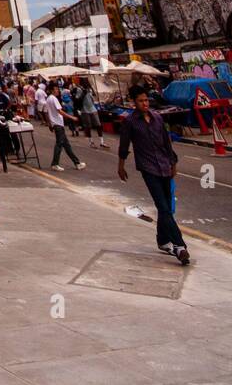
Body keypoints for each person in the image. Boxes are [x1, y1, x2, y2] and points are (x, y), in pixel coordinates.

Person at [118, 85, 190, 265]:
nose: (144, 103)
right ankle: (180, 246)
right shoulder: (130, 122)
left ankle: (162, 240)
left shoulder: (157, 118)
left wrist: (173, 163)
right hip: (148, 168)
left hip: (165, 166)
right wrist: (121, 165)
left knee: (165, 207)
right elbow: (124, 145)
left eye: (146, 100)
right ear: (134, 102)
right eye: (141, 101)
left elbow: (167, 143)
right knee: (163, 207)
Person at [43, 82, 86, 172]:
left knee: (66, 145)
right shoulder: (53, 99)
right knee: (59, 144)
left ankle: (77, 163)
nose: (57, 90)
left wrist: (50, 124)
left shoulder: (48, 99)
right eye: (56, 89)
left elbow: (46, 112)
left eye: (57, 89)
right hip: (58, 124)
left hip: (56, 124)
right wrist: (72, 117)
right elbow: (60, 111)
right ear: (52, 90)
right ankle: (55, 164)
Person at [78, 79, 108, 149]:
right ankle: (91, 142)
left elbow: (93, 97)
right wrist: (83, 93)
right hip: (85, 110)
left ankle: (102, 142)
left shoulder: (90, 89)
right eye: (85, 82)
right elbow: (78, 99)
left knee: (98, 125)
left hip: (93, 109)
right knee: (88, 126)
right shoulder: (80, 90)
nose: (87, 83)